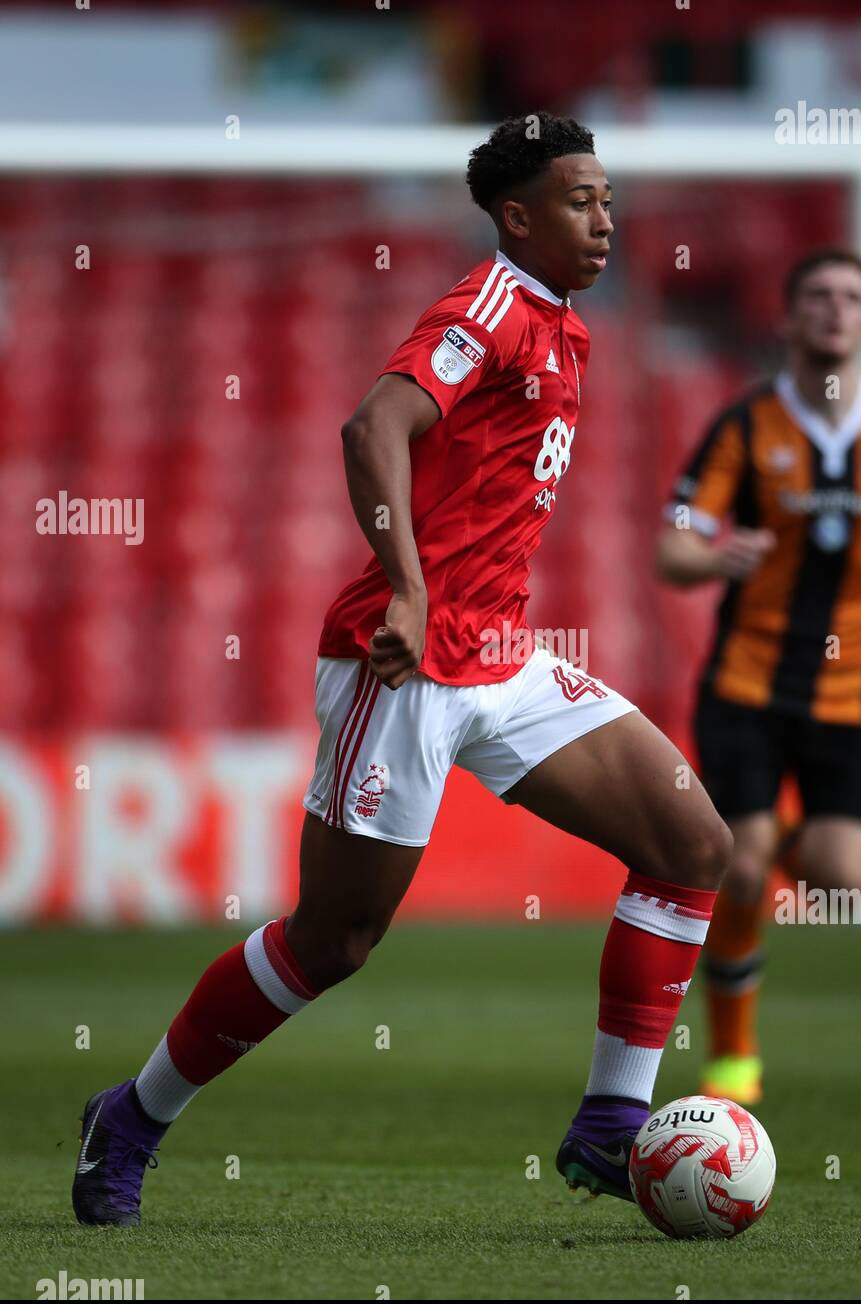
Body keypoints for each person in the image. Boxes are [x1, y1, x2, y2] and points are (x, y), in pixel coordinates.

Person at [72, 113, 733, 1225]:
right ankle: (131, 1116)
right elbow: (371, 424)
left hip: (504, 659)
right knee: (335, 940)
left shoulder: (568, 329)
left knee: (690, 843)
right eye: (581, 199)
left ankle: (611, 1123)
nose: (606, 217)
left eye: (609, 197)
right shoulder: (490, 307)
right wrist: (409, 586)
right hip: (409, 663)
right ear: (518, 217)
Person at [657, 248, 861, 1106]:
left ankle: (764, 856)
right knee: (740, 855)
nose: (836, 310)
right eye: (818, 296)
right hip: (745, 685)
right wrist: (713, 556)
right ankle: (732, 1054)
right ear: (789, 317)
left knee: (845, 876)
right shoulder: (744, 426)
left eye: (851, 297)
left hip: (850, 696)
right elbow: (672, 544)